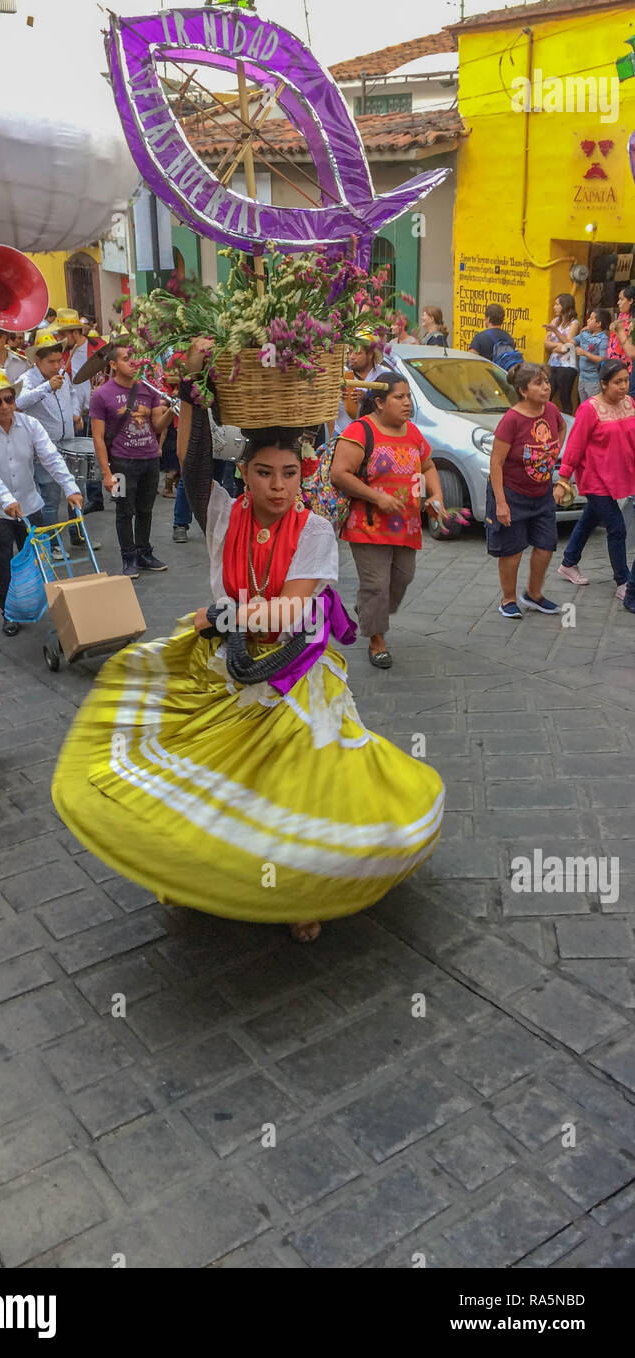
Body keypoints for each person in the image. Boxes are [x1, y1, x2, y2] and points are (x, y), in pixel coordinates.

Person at [51, 337, 445, 944]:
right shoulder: (224, 515)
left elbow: (289, 611)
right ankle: (197, 872)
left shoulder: (313, 530)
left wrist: (219, 616)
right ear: (246, 473)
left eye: (290, 473)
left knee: (297, 786)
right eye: (264, 473)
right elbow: (193, 463)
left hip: (294, 674)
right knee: (217, 778)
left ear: (302, 474)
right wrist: (193, 383)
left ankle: (300, 892)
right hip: (227, 667)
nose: (278, 486)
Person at [331, 369, 450, 668]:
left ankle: (369, 609)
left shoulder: (412, 432)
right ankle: (376, 638)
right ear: (380, 402)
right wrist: (377, 497)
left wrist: (436, 497)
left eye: (408, 396)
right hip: (367, 525)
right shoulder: (360, 431)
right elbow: (339, 474)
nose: (407, 402)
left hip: (406, 526)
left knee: (403, 578)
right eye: (400, 397)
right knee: (376, 584)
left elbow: (428, 466)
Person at [0, 365, 82, 636]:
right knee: (2, 562)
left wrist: (71, 487)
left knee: (39, 559)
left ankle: (46, 602)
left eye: (9, 399)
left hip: (30, 503)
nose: (5, 406)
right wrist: (5, 499)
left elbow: (51, 457)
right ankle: (9, 612)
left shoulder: (30, 424)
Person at [486, 363, 565, 618]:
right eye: (538, 383)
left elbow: (561, 428)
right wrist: (501, 503)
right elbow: (495, 463)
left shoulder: (551, 410)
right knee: (512, 550)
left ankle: (533, 594)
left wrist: (553, 453)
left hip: (541, 494)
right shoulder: (512, 419)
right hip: (512, 493)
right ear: (523, 390)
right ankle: (508, 599)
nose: (546, 387)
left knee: (545, 546)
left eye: (546, 382)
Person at [90, 345, 173, 577]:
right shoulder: (102, 395)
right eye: (127, 359)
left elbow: (157, 425)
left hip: (149, 461)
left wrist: (171, 412)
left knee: (146, 510)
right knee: (125, 511)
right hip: (122, 463)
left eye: (135, 358)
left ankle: (144, 553)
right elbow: (97, 437)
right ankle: (129, 558)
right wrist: (106, 473)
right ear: (113, 365)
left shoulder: (148, 389)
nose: (134, 363)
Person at [556, 360, 635, 596]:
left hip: (619, 472)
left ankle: (568, 563)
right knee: (617, 527)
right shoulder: (589, 409)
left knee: (590, 517)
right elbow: (574, 446)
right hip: (594, 476)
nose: (623, 386)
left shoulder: (630, 403)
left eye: (626, 381)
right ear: (603, 383)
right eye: (617, 382)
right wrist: (563, 479)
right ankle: (624, 582)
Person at [16, 329, 82, 553]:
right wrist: (46, 387)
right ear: (38, 360)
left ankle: (78, 534)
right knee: (50, 499)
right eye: (51, 361)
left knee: (74, 491)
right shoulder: (26, 379)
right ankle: (54, 544)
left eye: (59, 360)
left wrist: (75, 413)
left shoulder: (64, 375)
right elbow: (20, 402)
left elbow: (72, 394)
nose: (56, 365)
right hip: (45, 450)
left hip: (69, 443)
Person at [58, 308, 105, 513]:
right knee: (78, 459)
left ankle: (96, 497)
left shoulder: (98, 348)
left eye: (63, 334)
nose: (60, 338)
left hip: (96, 409)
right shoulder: (62, 354)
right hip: (76, 413)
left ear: (75, 333)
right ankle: (82, 498)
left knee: (94, 453)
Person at [333, 330, 384, 439]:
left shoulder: (383, 375)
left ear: (370, 354)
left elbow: (389, 405)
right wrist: (335, 395)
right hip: (342, 435)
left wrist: (367, 398)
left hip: (373, 436)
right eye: (350, 352)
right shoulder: (339, 374)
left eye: (357, 353)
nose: (351, 357)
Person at [544, 294, 580, 414]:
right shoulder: (555, 321)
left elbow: (568, 345)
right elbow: (546, 343)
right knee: (547, 394)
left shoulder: (574, 324)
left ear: (565, 305)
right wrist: (557, 347)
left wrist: (555, 331)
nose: (555, 307)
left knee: (564, 397)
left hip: (567, 365)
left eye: (557, 304)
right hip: (553, 363)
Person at [567, 307, 610, 403]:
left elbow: (602, 358)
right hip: (582, 376)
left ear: (598, 324)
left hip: (593, 380)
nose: (587, 320)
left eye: (591, 319)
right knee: (584, 404)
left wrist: (585, 353)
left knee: (593, 405)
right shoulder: (585, 334)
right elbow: (571, 342)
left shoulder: (603, 339)